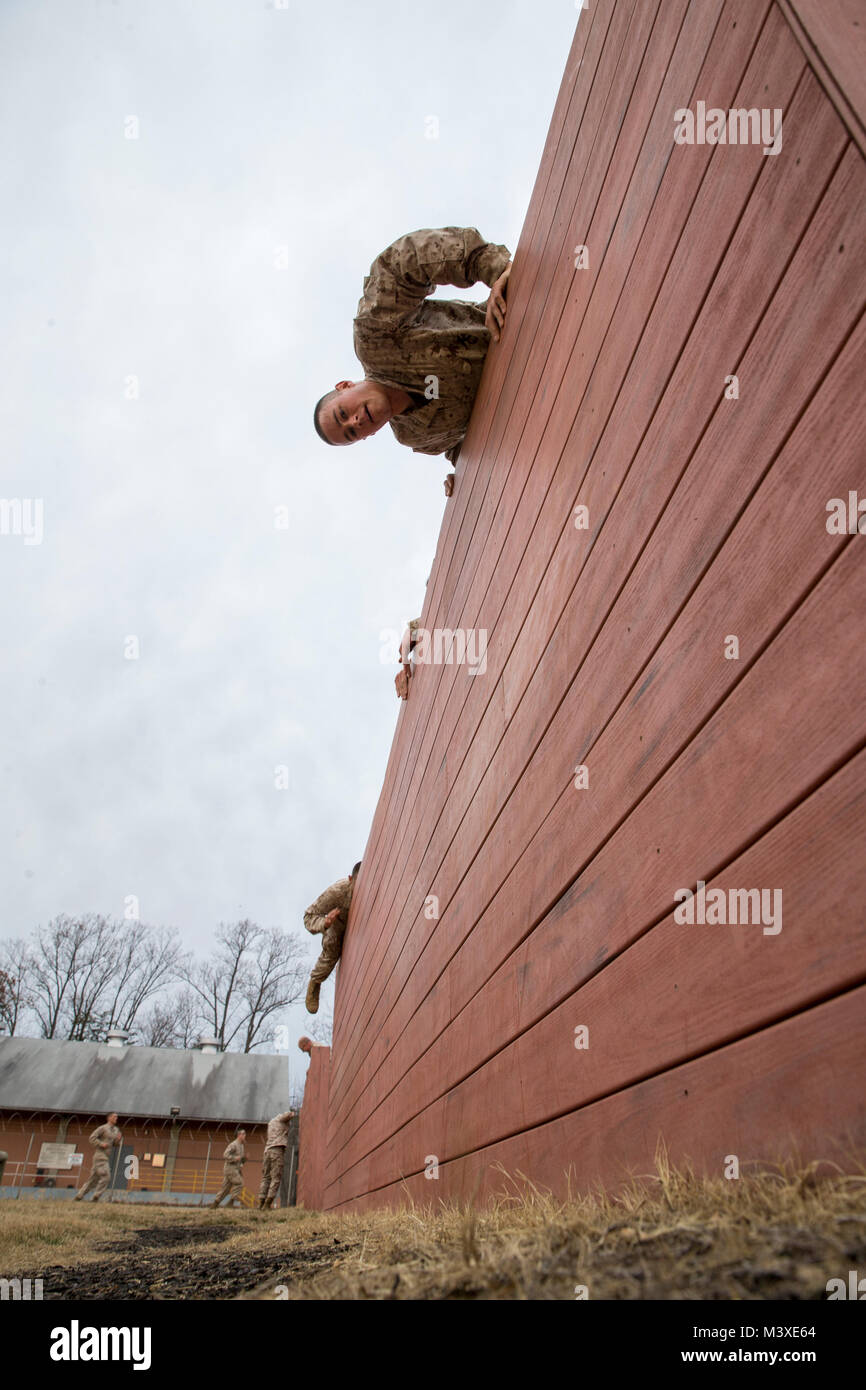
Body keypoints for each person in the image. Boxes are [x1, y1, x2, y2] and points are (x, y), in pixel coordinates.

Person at [313, 228, 512, 495]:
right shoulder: (415, 435)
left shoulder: (375, 336)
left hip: (516, 321)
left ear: (345, 385)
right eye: (351, 433)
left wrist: (494, 269)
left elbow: (404, 261)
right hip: (531, 390)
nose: (355, 421)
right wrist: (465, 478)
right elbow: (463, 447)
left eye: (342, 414)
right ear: (366, 437)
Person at [303, 862, 361, 1013]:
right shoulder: (338, 891)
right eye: (357, 886)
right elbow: (309, 917)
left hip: (361, 919)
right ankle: (315, 981)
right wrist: (325, 922)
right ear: (350, 879)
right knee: (332, 944)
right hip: (337, 923)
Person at [74, 1112, 122, 1203]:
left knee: (93, 1179)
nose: (116, 1118)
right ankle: (96, 1196)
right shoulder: (103, 1128)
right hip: (100, 1156)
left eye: (117, 1117)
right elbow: (92, 1138)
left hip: (106, 1156)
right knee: (106, 1176)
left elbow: (114, 1144)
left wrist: (118, 1140)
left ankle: (79, 1196)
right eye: (114, 1117)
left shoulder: (116, 1130)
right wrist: (100, 1144)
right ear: (109, 1118)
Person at [257, 1109, 296, 1210]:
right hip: (277, 1150)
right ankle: (267, 1204)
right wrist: (294, 1113)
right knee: (276, 1177)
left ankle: (260, 1202)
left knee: (265, 1177)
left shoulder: (270, 1123)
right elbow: (288, 1115)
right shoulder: (280, 1118)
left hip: (267, 1150)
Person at [210, 1129, 246, 1208]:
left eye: (244, 1134)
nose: (244, 1136)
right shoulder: (233, 1144)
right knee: (240, 1183)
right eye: (243, 1134)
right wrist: (235, 1158)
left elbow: (240, 1159)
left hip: (235, 1169)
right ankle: (231, 1202)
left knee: (225, 1189)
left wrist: (243, 1161)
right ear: (239, 1135)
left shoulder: (242, 1146)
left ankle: (214, 1205)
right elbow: (225, 1155)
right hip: (230, 1168)